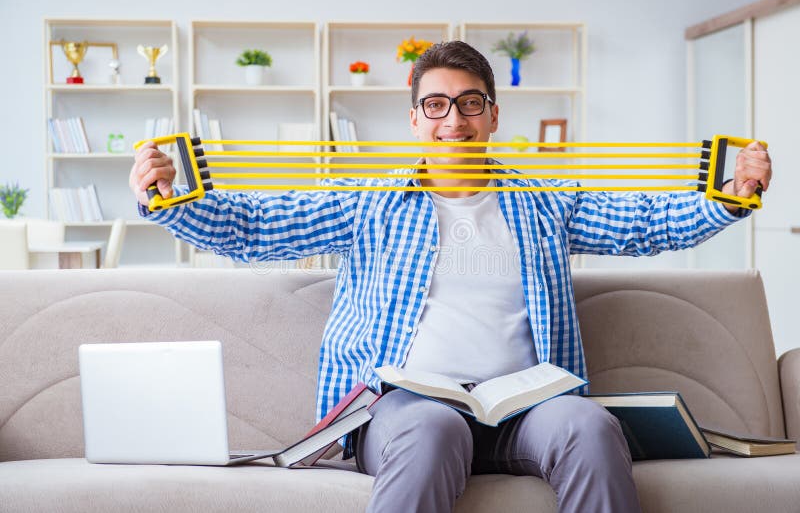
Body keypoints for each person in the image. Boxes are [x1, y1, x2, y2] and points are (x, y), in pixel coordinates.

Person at [130, 41, 772, 513]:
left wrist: (730, 194)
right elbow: (256, 227)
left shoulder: (545, 202)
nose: (453, 120)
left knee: (590, 427)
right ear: (415, 120)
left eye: (469, 104)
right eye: (435, 105)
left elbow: (644, 221)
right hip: (407, 411)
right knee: (434, 428)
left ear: (493, 116)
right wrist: (167, 195)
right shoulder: (369, 202)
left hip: (527, 407)